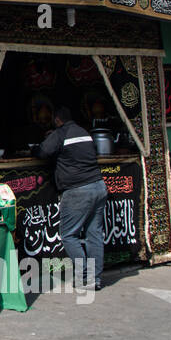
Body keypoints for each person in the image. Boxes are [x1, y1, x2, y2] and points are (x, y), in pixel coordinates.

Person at [37, 105, 106, 290]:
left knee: (68, 235)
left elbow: (43, 152)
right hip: (99, 186)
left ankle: (84, 276)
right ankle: (95, 279)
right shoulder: (83, 131)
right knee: (94, 235)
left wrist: (51, 137)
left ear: (58, 120)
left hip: (78, 190)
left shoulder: (61, 134)